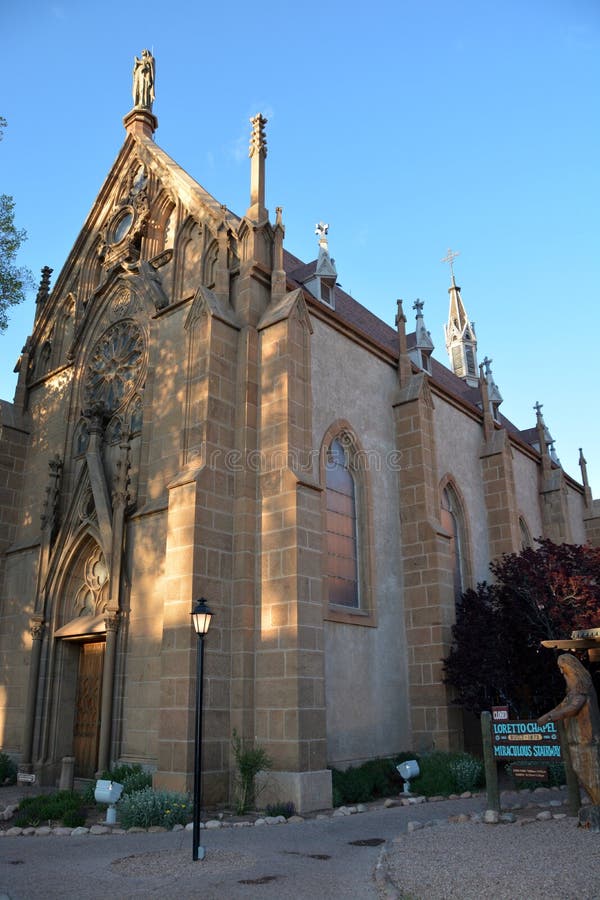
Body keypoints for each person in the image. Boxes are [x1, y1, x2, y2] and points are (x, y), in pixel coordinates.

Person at [537, 654, 600, 805]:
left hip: (586, 740)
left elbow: (573, 708)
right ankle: (595, 807)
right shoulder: (572, 692)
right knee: (583, 775)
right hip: (575, 741)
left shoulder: (582, 688)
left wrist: (550, 717)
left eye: (563, 668)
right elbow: (563, 706)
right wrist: (547, 715)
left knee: (592, 776)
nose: (562, 673)